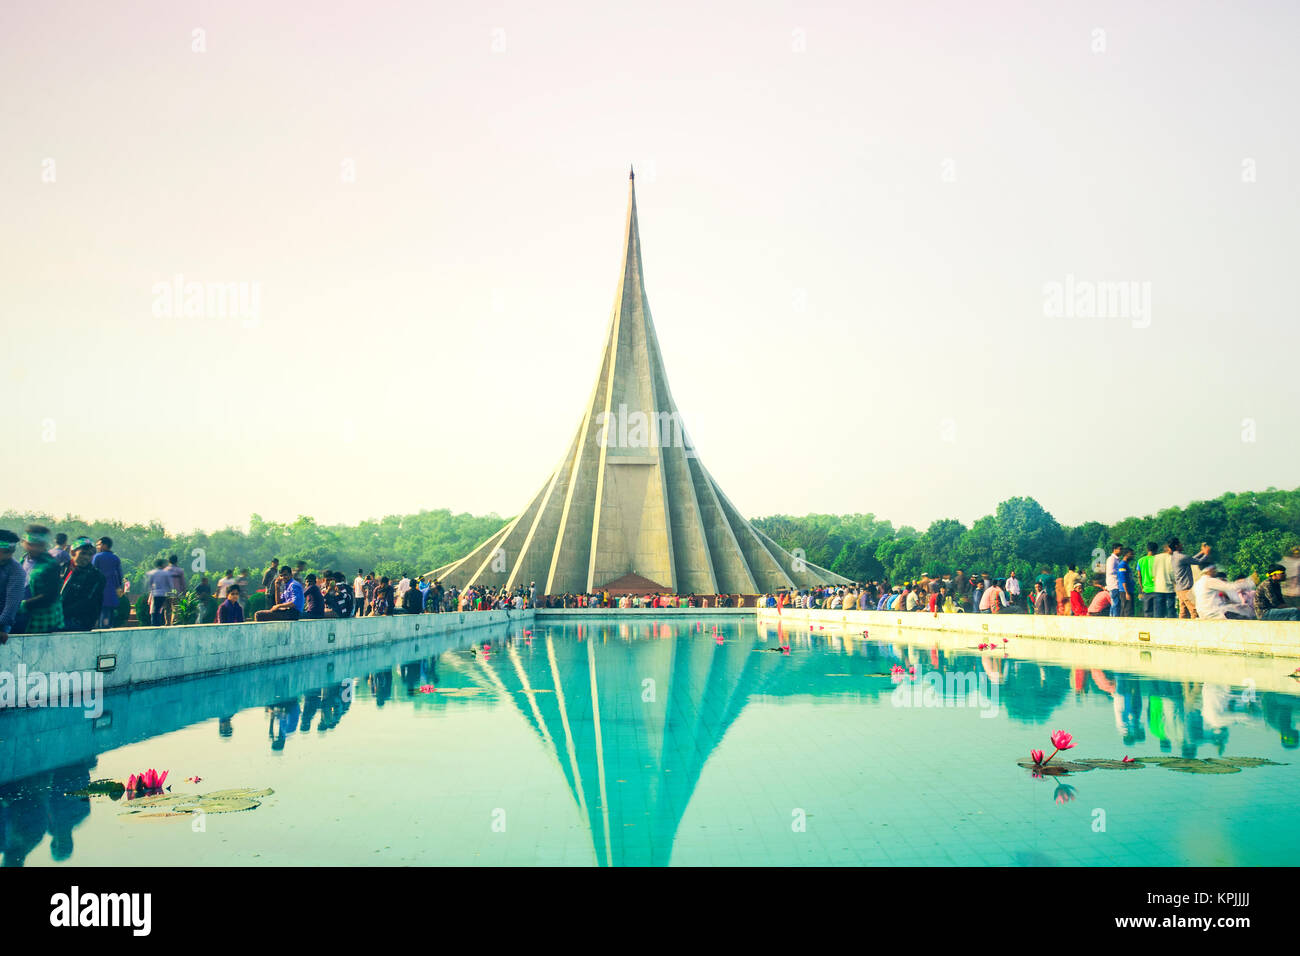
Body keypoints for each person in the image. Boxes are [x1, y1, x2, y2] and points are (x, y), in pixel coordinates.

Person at [18, 525, 64, 634]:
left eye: (39, 545)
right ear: (24, 543)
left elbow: (49, 596)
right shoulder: (23, 560)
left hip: (44, 621)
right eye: (31, 544)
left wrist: (23, 605)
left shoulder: (51, 565)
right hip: (24, 616)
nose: (35, 548)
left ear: (44, 544)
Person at [60, 537, 106, 631]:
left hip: (79, 622)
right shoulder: (62, 568)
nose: (87, 557)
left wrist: (60, 612)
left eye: (90, 554)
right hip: (58, 617)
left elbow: (86, 602)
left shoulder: (96, 576)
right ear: (73, 553)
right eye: (83, 553)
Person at [1170, 539, 1211, 619]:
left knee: (1183, 613)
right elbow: (1198, 561)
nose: (1182, 544)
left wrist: (1201, 552)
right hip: (1186, 589)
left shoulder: (1174, 557)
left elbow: (1190, 559)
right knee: (1194, 612)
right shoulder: (1182, 557)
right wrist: (1206, 554)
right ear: (1176, 546)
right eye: (1180, 543)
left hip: (1179, 589)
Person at [92, 537, 124, 628]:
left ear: (105, 545)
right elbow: (119, 575)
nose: (97, 547)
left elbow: (93, 573)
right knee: (109, 613)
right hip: (111, 591)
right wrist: (118, 587)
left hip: (99, 590)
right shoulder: (115, 558)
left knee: (100, 613)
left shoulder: (97, 557)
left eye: (99, 544)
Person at [0, 530, 25, 642]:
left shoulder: (16, 570)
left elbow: (12, 602)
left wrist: (2, 626)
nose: (8, 556)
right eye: (5, 552)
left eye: (11, 552)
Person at [1149, 542, 1175, 619]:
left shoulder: (1156, 557)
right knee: (1171, 610)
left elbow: (1153, 571)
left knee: (1158, 611)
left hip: (1158, 587)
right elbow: (1172, 572)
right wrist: (1174, 581)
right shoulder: (1171, 558)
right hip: (1169, 587)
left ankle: (1157, 627)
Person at [145, 559, 173, 626]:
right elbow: (170, 584)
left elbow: (149, 584)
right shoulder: (166, 573)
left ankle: (155, 623)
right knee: (160, 608)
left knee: (156, 608)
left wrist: (151, 591)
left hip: (155, 593)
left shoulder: (153, 573)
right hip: (163, 593)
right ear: (162, 565)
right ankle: (158, 622)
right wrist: (169, 591)